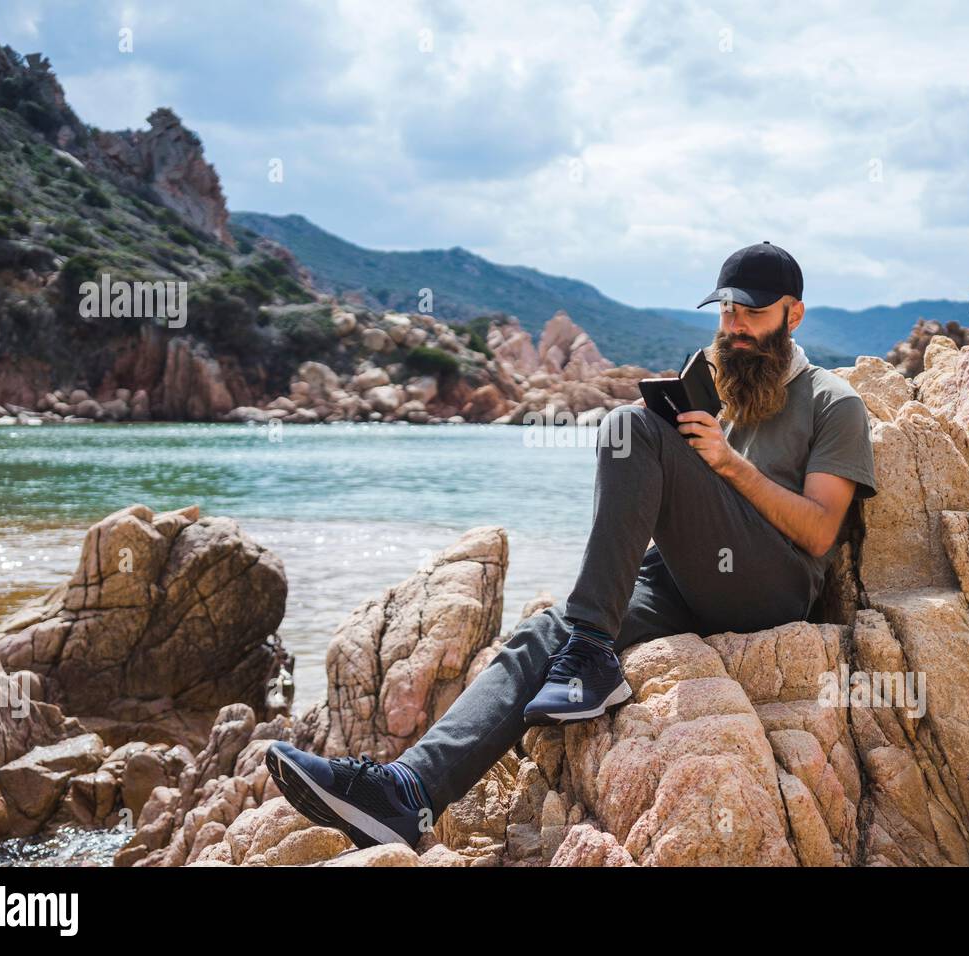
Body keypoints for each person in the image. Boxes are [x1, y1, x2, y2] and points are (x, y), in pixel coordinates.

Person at [265, 241, 878, 850]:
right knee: (543, 632)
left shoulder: (833, 403)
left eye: (752, 313)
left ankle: (590, 651)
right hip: (686, 579)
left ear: (793, 315)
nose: (735, 327)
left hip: (770, 586)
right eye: (725, 312)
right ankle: (408, 791)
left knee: (627, 428)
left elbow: (820, 529)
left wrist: (726, 463)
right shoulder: (729, 390)